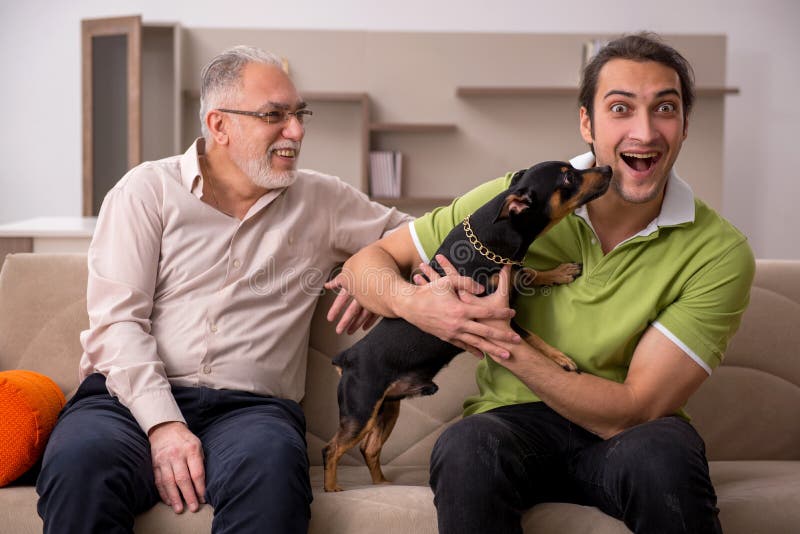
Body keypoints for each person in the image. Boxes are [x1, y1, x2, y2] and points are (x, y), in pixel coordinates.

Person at [331, 32, 754, 533]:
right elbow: (367, 262)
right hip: (510, 426)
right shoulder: (519, 198)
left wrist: (496, 334)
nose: (645, 130)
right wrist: (415, 304)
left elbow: (634, 409)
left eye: (665, 108)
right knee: (466, 448)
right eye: (621, 108)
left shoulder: (718, 251)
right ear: (586, 122)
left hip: (631, 437)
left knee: (665, 455)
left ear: (685, 125)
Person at [35, 45, 412, 534]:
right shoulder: (146, 191)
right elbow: (118, 323)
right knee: (79, 464)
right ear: (219, 125)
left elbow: (419, 240)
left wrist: (371, 270)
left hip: (252, 412)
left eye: (299, 115)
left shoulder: (324, 200)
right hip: (123, 403)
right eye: (273, 115)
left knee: (274, 476)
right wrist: (164, 425)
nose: (295, 132)